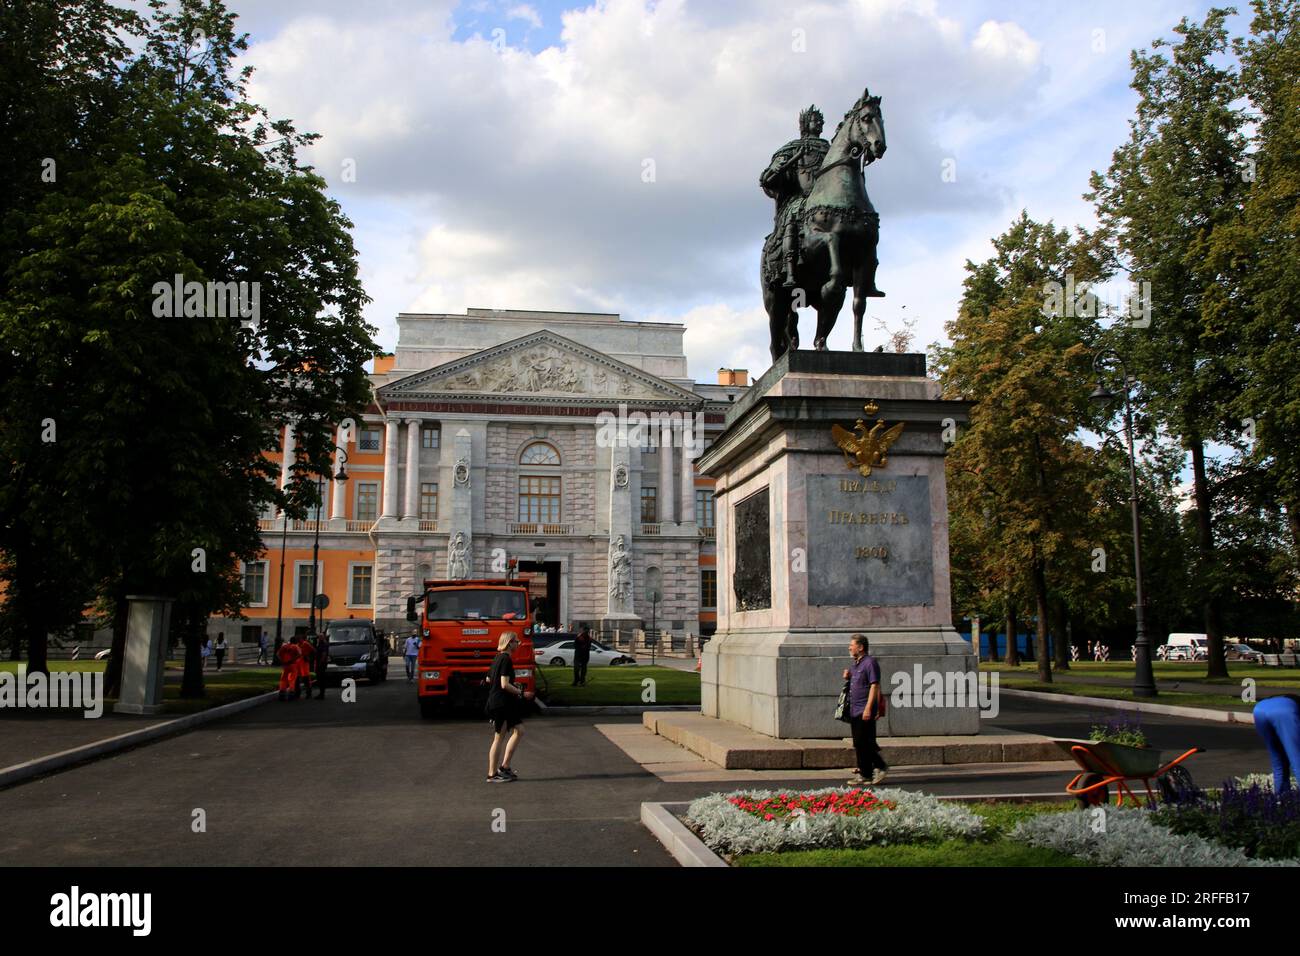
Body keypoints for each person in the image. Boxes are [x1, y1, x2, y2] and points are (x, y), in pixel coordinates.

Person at [485, 632, 532, 783]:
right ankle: (492, 774)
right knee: (498, 738)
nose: (518, 644)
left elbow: (488, 678)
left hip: (502, 703)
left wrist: (512, 685)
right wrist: (521, 693)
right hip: (501, 704)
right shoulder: (505, 659)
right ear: (509, 643)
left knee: (519, 730)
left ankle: (504, 767)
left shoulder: (497, 658)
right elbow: (504, 684)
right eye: (516, 642)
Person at [842, 633, 888, 786]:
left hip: (864, 708)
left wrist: (869, 708)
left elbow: (874, 685)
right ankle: (865, 773)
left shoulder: (870, 663)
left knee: (865, 742)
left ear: (861, 647)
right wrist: (848, 677)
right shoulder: (856, 664)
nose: (849, 647)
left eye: (852, 645)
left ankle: (880, 766)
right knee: (859, 742)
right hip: (855, 709)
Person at [1253, 694, 1300, 793]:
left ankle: (1281, 801)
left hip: (1259, 709)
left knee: (1278, 761)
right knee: (1297, 759)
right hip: (1285, 710)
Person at [277, 637, 301, 701]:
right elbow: (299, 654)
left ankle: (282, 692)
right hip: (293, 665)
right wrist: (293, 659)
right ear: (295, 641)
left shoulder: (284, 646)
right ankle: (291, 693)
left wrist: (282, 660)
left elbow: (278, 654)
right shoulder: (295, 646)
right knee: (292, 679)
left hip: (285, 665)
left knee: (283, 679)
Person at [295, 633, 315, 699]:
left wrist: (309, 658)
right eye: (297, 640)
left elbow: (313, 650)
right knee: (297, 679)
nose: (298, 641)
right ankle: (297, 693)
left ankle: (308, 693)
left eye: (298, 639)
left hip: (304, 663)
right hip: (298, 664)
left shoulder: (305, 644)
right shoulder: (297, 645)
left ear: (301, 639)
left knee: (306, 679)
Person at [311, 632, 329, 700]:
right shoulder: (321, 644)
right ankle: (321, 693)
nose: (319, 638)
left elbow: (324, 654)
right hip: (320, 662)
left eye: (320, 637)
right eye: (319, 637)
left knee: (321, 678)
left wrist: (321, 662)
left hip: (321, 663)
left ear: (323, 637)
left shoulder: (324, 644)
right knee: (319, 678)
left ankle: (322, 694)